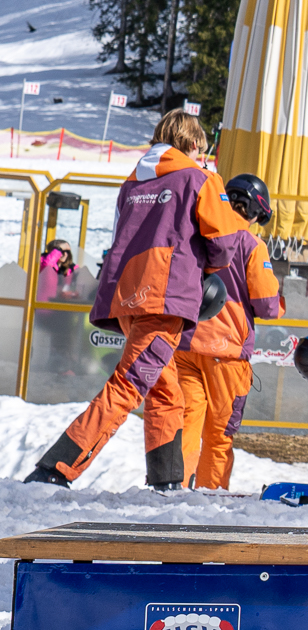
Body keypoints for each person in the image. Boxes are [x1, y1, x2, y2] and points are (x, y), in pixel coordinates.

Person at [22, 111, 258, 489]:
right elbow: (225, 242)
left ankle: (167, 482)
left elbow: (120, 237)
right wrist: (202, 271)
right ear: (193, 144)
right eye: (201, 150)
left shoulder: (133, 182)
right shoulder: (200, 178)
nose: (202, 157)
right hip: (164, 298)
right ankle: (55, 468)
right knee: (130, 383)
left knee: (166, 391)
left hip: (127, 296)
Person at [176, 172, 285, 489]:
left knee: (186, 424)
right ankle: (210, 496)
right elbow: (266, 306)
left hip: (186, 344)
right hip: (227, 354)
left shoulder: (199, 235)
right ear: (256, 211)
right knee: (219, 434)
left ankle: (173, 489)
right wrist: (280, 303)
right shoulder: (252, 245)